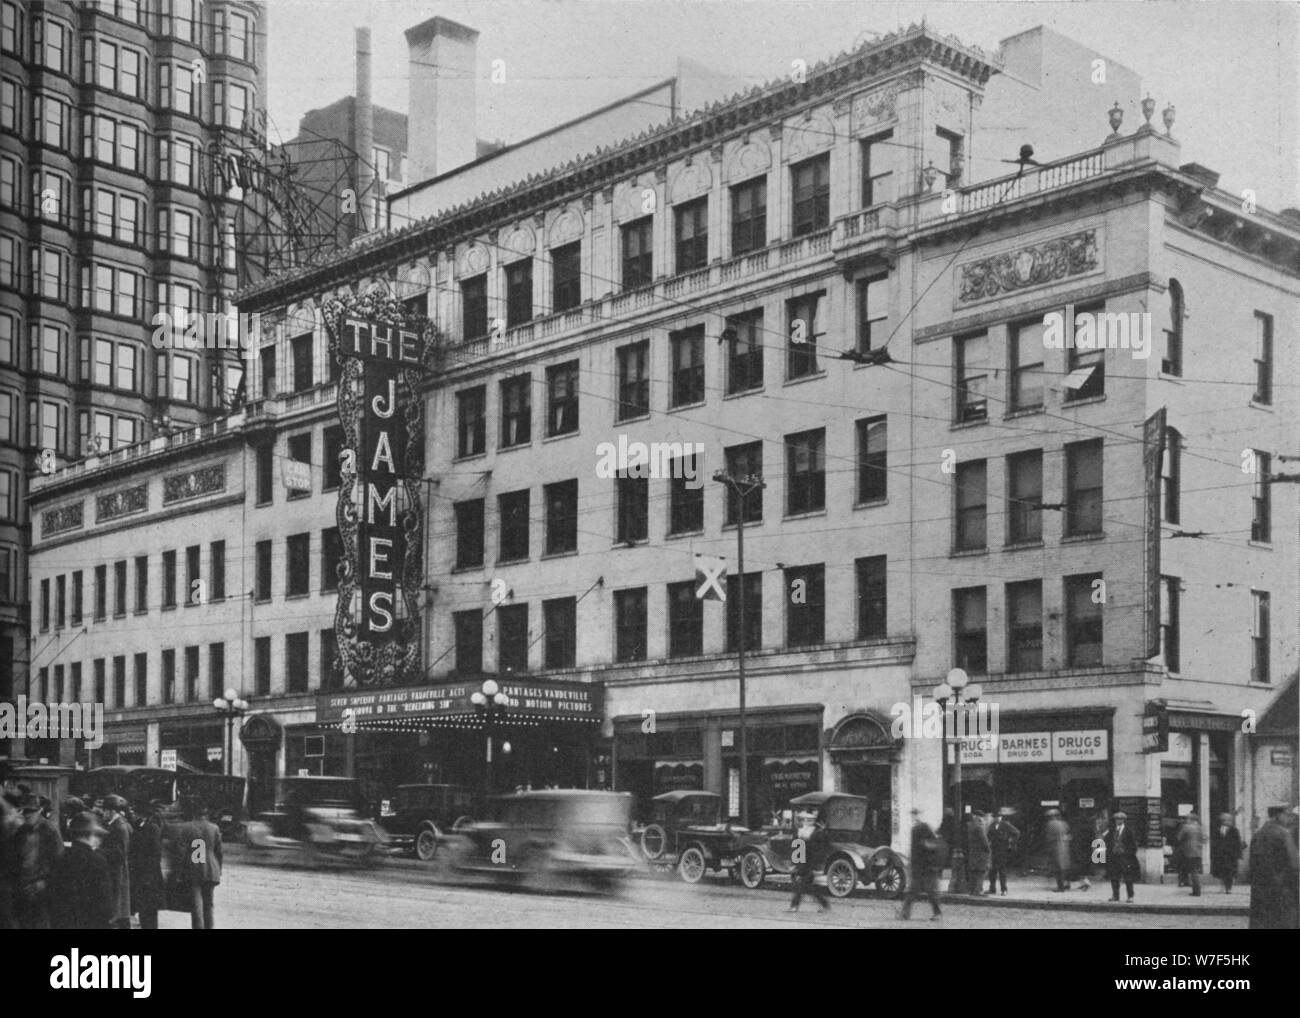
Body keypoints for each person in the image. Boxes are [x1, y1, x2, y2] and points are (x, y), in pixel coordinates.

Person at [49, 812, 113, 930]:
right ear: (90, 835)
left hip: (64, 922)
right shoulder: (97, 861)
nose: (99, 840)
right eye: (98, 835)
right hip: (91, 923)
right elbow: (105, 903)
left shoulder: (61, 858)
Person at [172, 797, 223, 930]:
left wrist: (178, 872)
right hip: (211, 869)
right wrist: (219, 870)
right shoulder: (214, 828)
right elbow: (219, 852)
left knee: (196, 906)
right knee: (209, 904)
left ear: (193, 814)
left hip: (193, 869)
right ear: (206, 814)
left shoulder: (186, 827)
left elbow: (181, 853)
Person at [13, 794, 63, 928]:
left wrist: (45, 882)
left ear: (39, 810)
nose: (27, 815)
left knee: (41, 922)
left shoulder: (50, 830)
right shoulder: (21, 831)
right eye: (25, 811)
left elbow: (59, 862)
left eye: (31, 811)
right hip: (23, 884)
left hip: (41, 886)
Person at [1248, 806, 1299, 929]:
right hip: (1283, 889)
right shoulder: (1283, 834)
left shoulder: (1258, 834)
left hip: (1260, 888)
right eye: (1287, 814)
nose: (1288, 818)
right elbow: (1294, 864)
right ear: (1278, 815)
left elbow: (1252, 864)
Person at [899, 810, 942, 921]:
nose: (914, 817)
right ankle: (905, 914)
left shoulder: (922, 828)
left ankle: (937, 913)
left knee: (929, 892)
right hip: (920, 866)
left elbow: (932, 845)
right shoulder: (916, 829)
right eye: (913, 814)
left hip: (926, 867)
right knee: (914, 891)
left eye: (916, 814)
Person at [129, 801, 165, 931]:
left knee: (149, 910)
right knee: (143, 907)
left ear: (141, 814)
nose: (132, 814)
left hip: (149, 875)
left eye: (134, 812)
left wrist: (147, 875)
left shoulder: (152, 828)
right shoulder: (139, 825)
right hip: (141, 873)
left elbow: (155, 853)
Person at [99, 794, 132, 929]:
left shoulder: (119, 827)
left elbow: (119, 852)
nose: (102, 813)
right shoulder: (115, 824)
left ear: (112, 811)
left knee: (118, 907)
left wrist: (97, 850)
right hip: (115, 871)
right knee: (118, 908)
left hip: (116, 872)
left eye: (104, 810)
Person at [787, 814, 831, 913]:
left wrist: (816, 865)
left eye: (810, 820)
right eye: (805, 820)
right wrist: (793, 863)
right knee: (806, 886)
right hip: (800, 861)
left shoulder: (817, 833)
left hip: (809, 863)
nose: (806, 822)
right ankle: (824, 904)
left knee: (802, 884)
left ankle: (794, 906)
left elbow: (819, 850)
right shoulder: (799, 832)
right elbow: (795, 848)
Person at [1105, 810, 1139, 902]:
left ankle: (1130, 896)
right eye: (1116, 819)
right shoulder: (1112, 831)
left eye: (1120, 819)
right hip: (1114, 857)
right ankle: (1115, 895)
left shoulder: (1128, 831)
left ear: (1124, 820)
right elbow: (1107, 842)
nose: (1118, 821)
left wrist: (1129, 855)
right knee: (1114, 877)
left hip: (1125, 858)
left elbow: (1133, 845)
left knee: (1128, 877)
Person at [987, 811, 1020, 896]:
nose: (997, 818)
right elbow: (988, 836)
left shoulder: (1005, 825)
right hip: (994, 850)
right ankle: (992, 888)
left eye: (999, 816)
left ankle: (1004, 889)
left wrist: (1010, 841)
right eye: (995, 817)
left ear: (1001, 817)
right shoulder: (992, 826)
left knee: (1002, 870)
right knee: (992, 871)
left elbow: (1016, 832)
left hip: (1003, 850)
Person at [1210, 813, 1243, 893]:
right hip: (1220, 855)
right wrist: (1213, 854)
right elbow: (1214, 843)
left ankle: (1229, 888)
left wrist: (1238, 854)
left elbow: (1237, 843)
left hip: (1230, 855)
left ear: (1230, 821)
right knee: (1220, 872)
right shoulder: (1217, 830)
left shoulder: (1234, 830)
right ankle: (1222, 887)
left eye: (1226, 820)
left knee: (1230, 872)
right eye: (1223, 820)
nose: (1224, 822)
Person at [1177, 813, 1204, 896]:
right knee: (1195, 871)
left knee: (1193, 871)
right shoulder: (1199, 828)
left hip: (1188, 852)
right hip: (1198, 852)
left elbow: (1179, 837)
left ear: (1190, 819)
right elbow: (1204, 839)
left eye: (1187, 819)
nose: (1186, 820)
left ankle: (1196, 891)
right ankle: (1196, 888)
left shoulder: (1186, 827)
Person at [1044, 809, 1071, 891]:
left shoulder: (1050, 824)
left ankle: (1060, 887)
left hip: (1055, 847)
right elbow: (1067, 832)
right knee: (1064, 867)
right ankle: (1067, 884)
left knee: (1057, 868)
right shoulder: (1063, 823)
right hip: (1065, 846)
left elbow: (1049, 836)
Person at [965, 810, 991, 895]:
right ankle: (978, 891)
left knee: (973, 873)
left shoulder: (970, 826)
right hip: (981, 854)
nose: (982, 820)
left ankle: (972, 891)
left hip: (973, 853)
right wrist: (988, 850)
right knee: (980, 873)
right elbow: (984, 842)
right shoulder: (979, 828)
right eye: (981, 818)